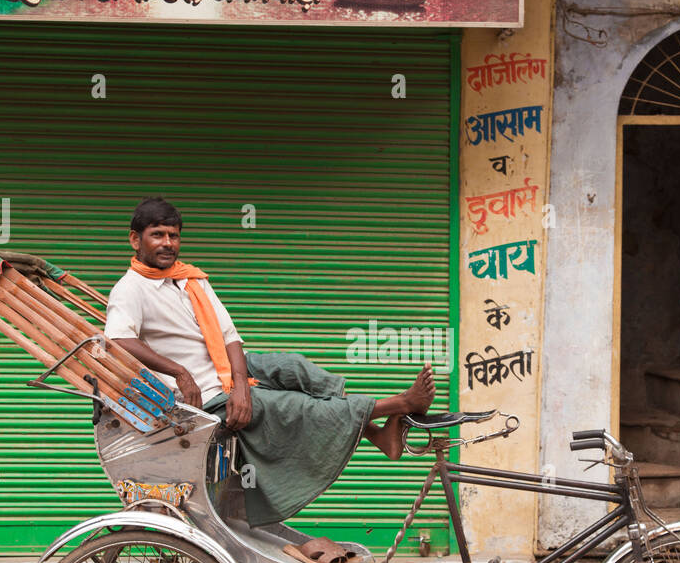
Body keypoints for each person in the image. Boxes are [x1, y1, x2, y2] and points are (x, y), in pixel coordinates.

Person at [104, 198, 436, 541]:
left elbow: (230, 336)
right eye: (157, 235)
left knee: (294, 368)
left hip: (220, 368)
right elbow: (118, 339)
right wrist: (181, 374)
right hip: (197, 394)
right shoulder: (130, 289)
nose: (168, 243)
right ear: (135, 240)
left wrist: (241, 385)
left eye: (173, 235)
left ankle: (377, 435)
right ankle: (398, 405)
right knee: (290, 405)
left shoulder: (190, 279)